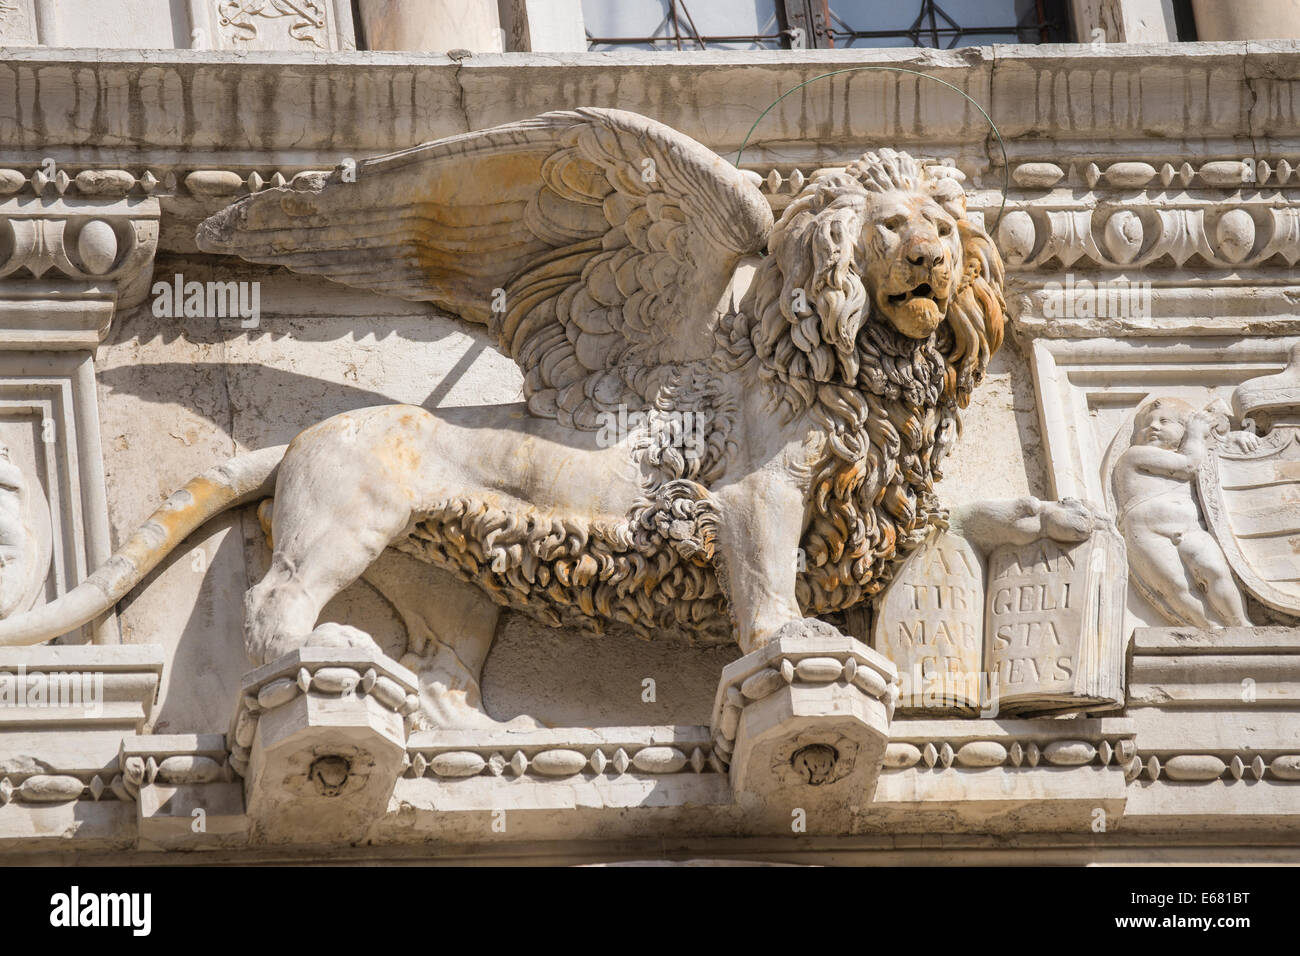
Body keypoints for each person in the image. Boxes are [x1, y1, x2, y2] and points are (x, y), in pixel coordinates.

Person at [1113, 397, 1252, 627]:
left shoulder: (1191, 449)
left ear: (1183, 431)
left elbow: (1210, 454)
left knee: (1215, 571)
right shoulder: (1134, 455)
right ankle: (1210, 629)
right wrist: (1197, 433)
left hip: (1191, 528)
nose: (1153, 427)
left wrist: (1236, 438)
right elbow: (1188, 464)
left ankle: (1241, 624)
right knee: (1176, 587)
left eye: (1164, 421)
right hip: (1148, 533)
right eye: (1147, 424)